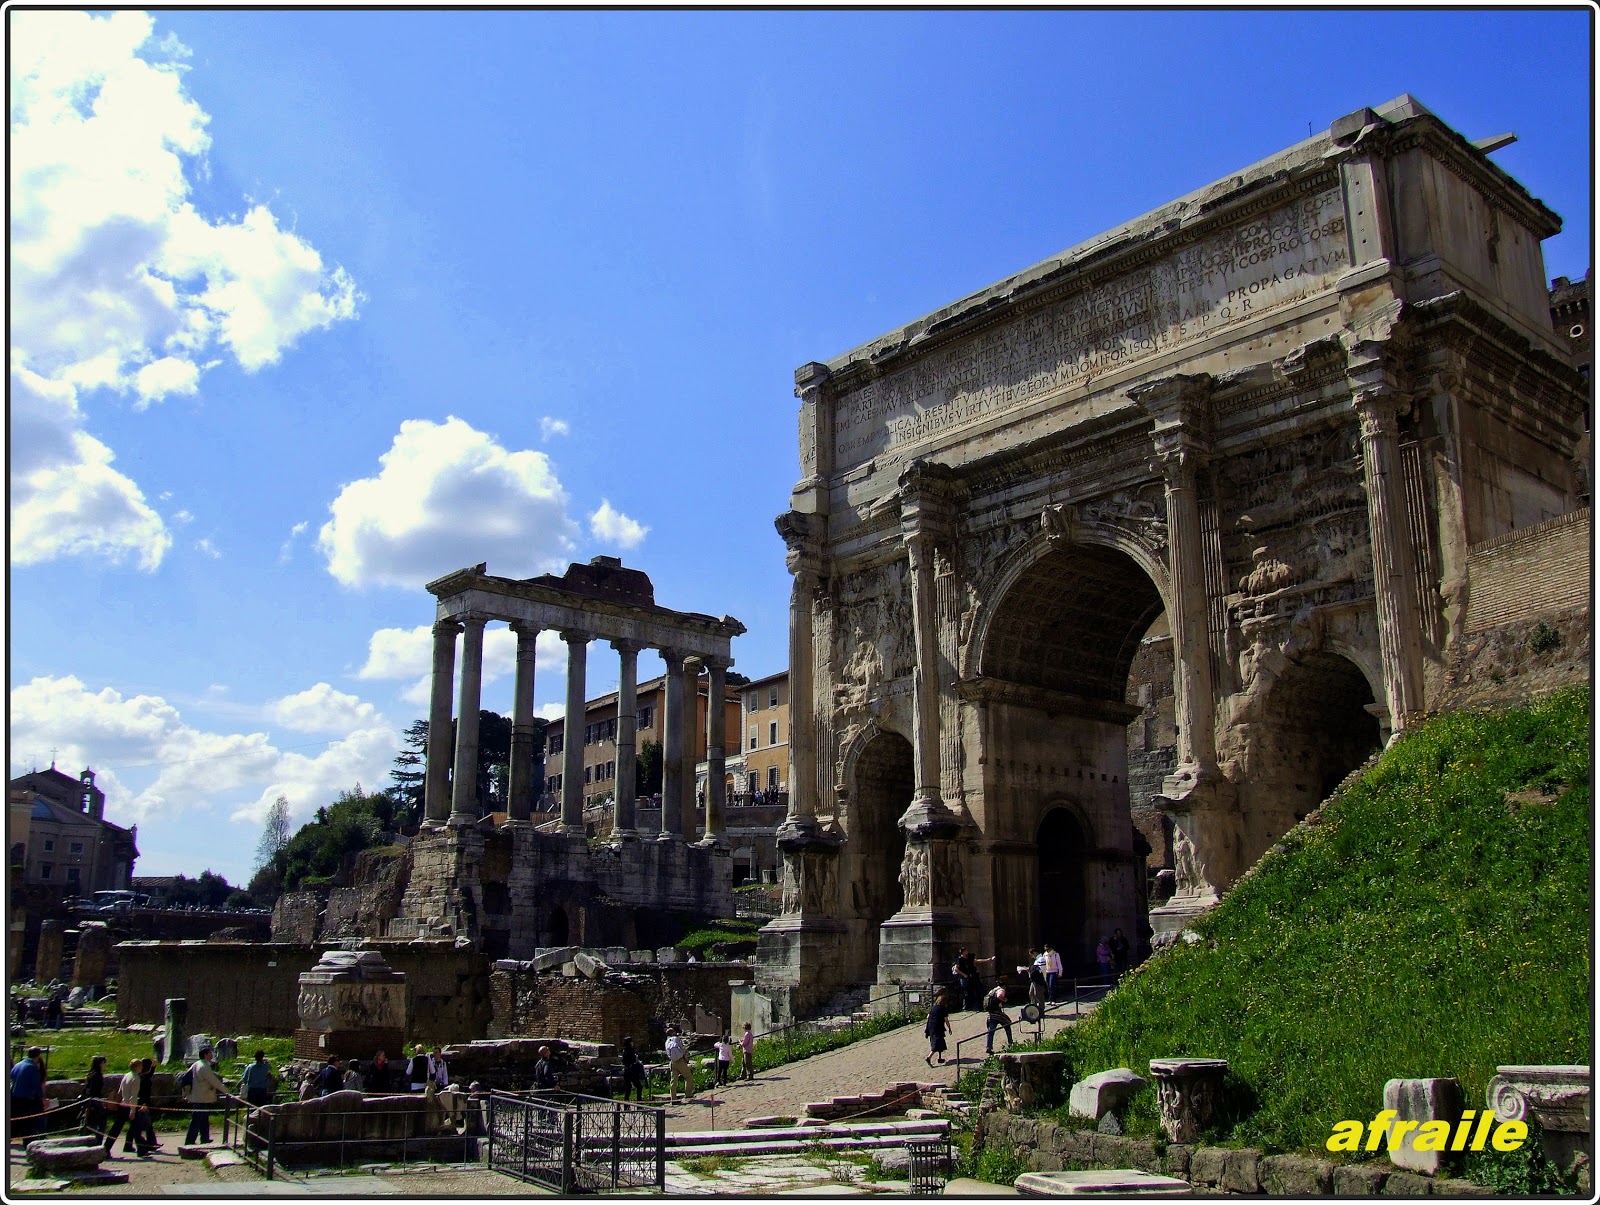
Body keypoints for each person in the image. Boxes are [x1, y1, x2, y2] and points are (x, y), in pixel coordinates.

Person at [184, 1045, 229, 1145]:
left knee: (203, 1119)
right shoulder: (204, 1067)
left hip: (198, 1095)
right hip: (201, 1096)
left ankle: (205, 1138)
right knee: (196, 1120)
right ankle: (190, 1140)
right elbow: (214, 1081)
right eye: (210, 1053)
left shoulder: (196, 1064)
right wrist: (226, 1091)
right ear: (205, 1055)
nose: (212, 1054)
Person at [10, 1045, 45, 1139]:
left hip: (13, 1098)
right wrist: (42, 1099)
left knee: (14, 1123)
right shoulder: (32, 1068)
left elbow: (11, 1079)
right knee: (28, 1125)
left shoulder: (18, 1065)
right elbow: (36, 1086)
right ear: (38, 1056)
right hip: (26, 1100)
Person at [131, 1058, 161, 1155]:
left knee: (138, 1126)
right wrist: (144, 1103)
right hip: (143, 1103)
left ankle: (149, 1144)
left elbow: (148, 1075)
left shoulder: (140, 1076)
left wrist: (153, 1067)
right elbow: (143, 1091)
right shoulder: (141, 1078)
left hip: (142, 1102)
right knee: (145, 1125)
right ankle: (148, 1144)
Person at [83, 1054, 110, 1143]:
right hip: (94, 1101)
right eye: (104, 1063)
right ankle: (98, 1143)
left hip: (92, 1101)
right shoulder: (97, 1076)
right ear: (100, 1064)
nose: (105, 1065)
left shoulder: (91, 1074)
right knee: (101, 1123)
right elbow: (93, 1091)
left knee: (92, 1123)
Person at [663, 1027, 693, 1101]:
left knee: (673, 1080)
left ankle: (673, 1097)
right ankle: (688, 1094)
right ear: (672, 1033)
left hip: (673, 1061)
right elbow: (681, 1049)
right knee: (688, 1077)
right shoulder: (676, 1039)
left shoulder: (667, 1041)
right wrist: (685, 1058)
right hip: (680, 1061)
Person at [924, 992, 953, 1066]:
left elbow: (928, 1017)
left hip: (931, 1026)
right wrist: (949, 1028)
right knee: (936, 1042)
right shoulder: (943, 1009)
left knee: (940, 1042)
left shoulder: (933, 1007)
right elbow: (946, 1020)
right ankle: (929, 1057)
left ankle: (940, 1058)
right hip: (937, 1027)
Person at [983, 985, 1013, 1055]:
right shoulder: (1001, 990)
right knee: (1008, 1024)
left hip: (990, 1014)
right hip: (997, 1013)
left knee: (991, 1031)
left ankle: (989, 1047)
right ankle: (1010, 1042)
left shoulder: (992, 991)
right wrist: (1004, 1000)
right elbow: (999, 996)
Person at [620, 1037, 646, 1102]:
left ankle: (626, 1104)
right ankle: (639, 1103)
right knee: (639, 1087)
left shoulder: (624, 1051)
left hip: (626, 1070)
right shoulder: (631, 1050)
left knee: (628, 1088)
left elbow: (623, 1061)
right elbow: (634, 1060)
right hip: (632, 1071)